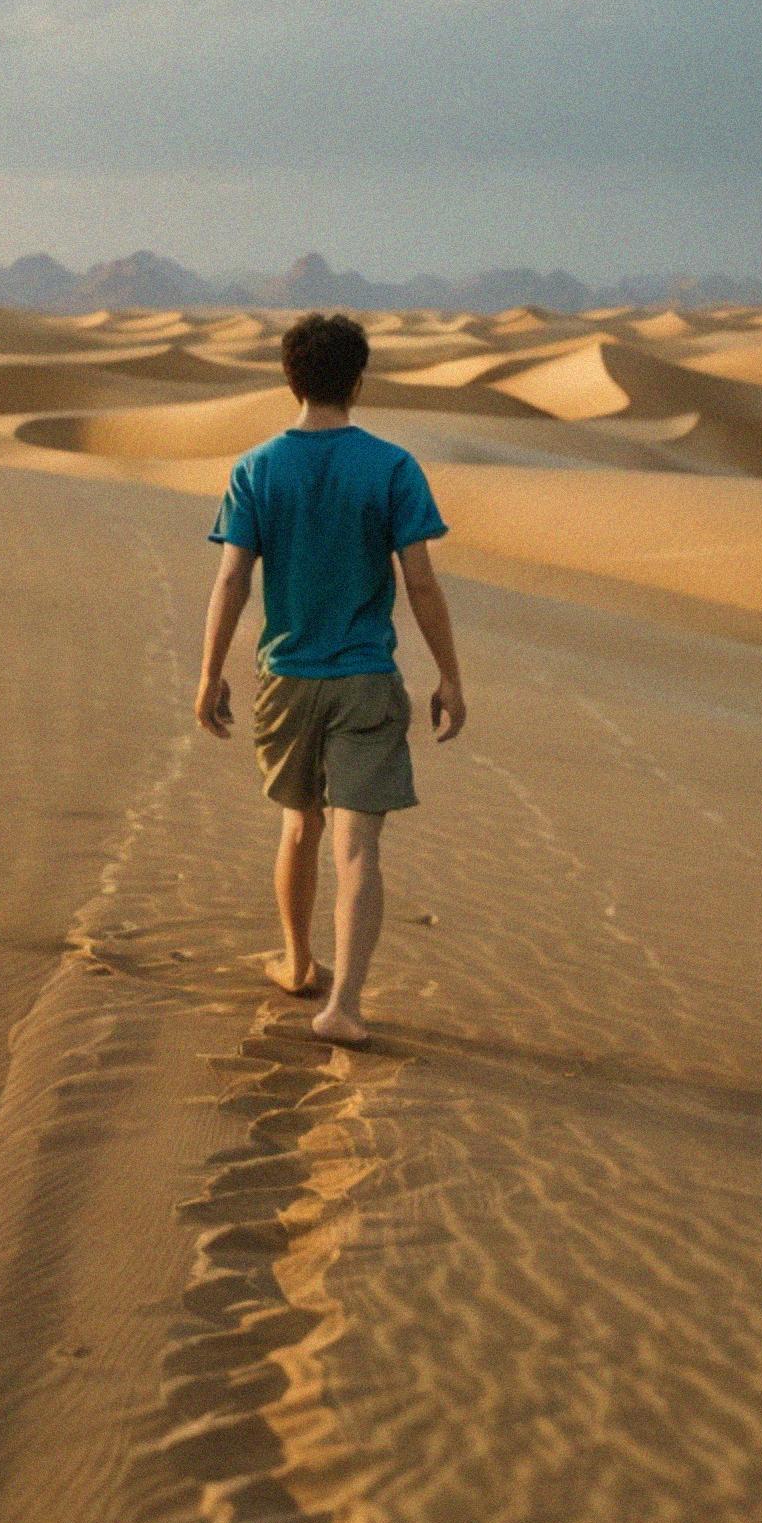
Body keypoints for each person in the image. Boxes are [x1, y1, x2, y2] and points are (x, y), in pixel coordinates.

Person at [195, 309, 467, 1043]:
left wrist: (210, 673)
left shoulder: (255, 468)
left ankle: (295, 961)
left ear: (291, 378)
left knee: (298, 827)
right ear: (358, 379)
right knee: (359, 847)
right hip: (366, 679)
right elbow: (422, 584)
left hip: (285, 677)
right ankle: (343, 1004)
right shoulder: (391, 467)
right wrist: (449, 676)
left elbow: (230, 583)